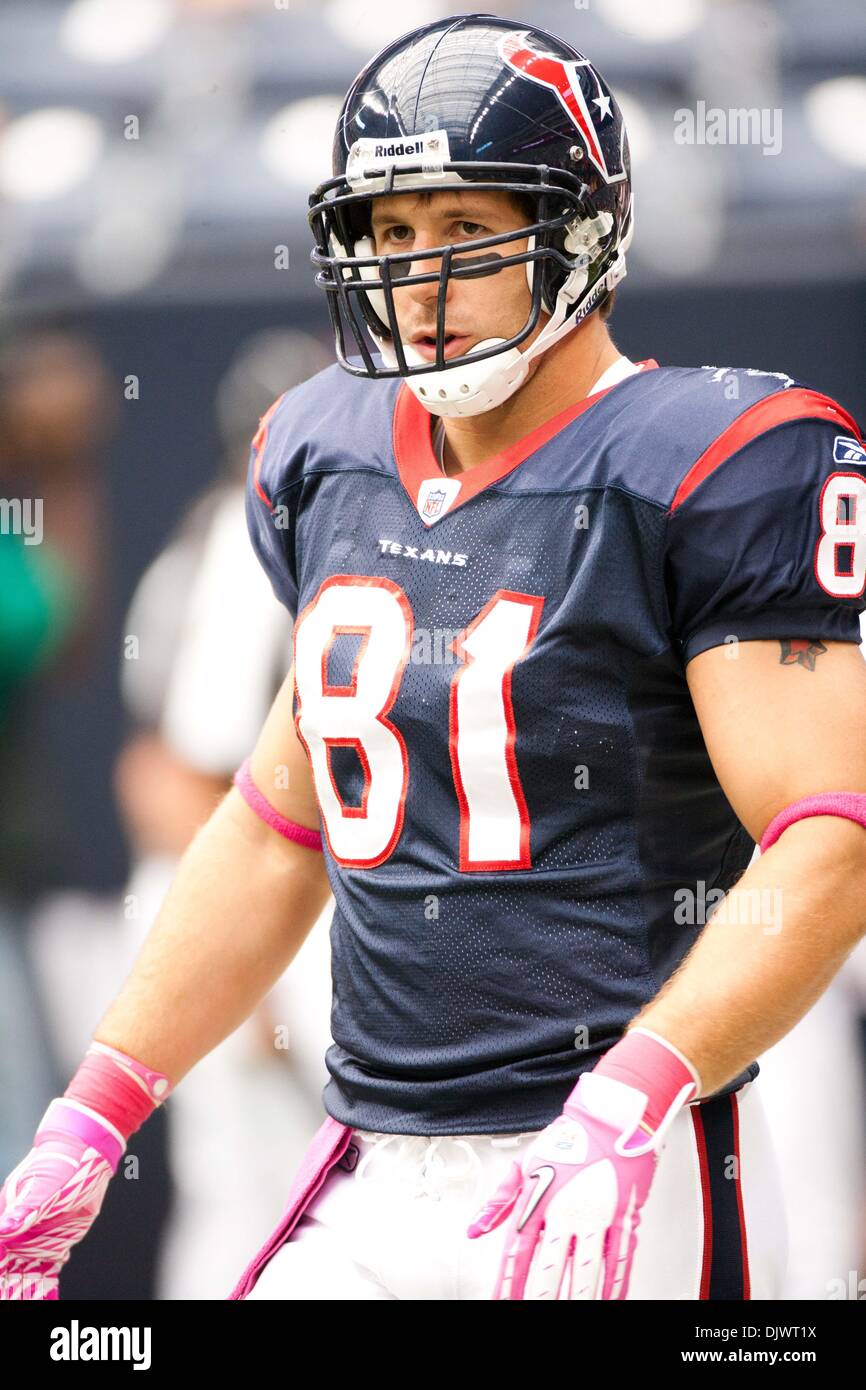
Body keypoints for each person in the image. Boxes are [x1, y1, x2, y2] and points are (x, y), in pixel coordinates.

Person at [2, 13, 866, 1303]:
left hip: (625, 1153)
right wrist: (100, 1103)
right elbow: (277, 818)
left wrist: (632, 1096)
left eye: (466, 230)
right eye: (394, 234)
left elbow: (830, 831)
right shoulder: (325, 449)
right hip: (371, 1156)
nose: (421, 275)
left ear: (580, 228)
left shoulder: (714, 458)